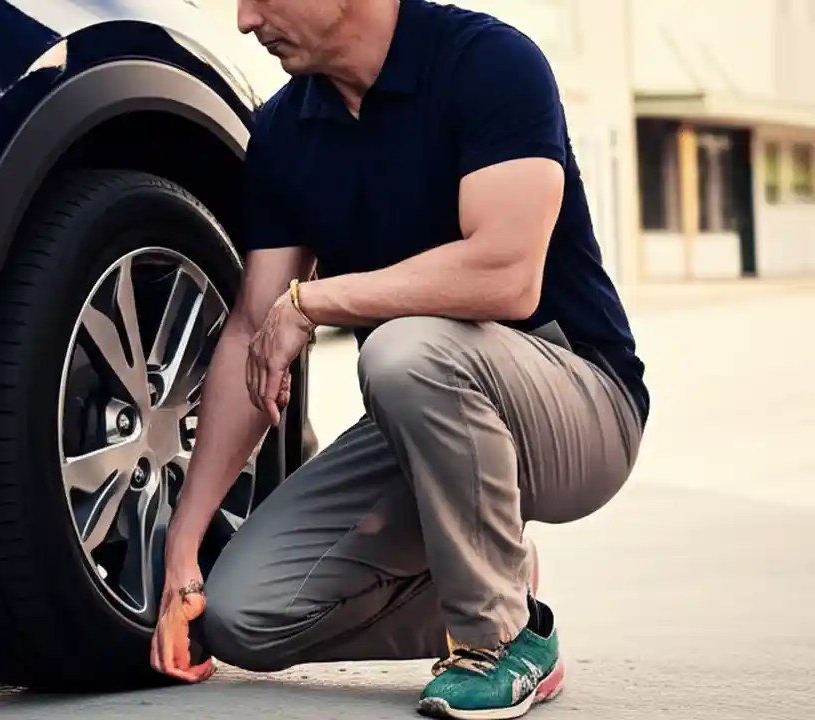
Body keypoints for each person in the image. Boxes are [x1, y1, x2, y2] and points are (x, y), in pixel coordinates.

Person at [148, 0, 649, 718]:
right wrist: (184, 549)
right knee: (243, 614)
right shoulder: (287, 132)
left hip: (579, 401)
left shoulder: (489, 63)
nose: (244, 20)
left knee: (402, 348)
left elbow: (507, 274)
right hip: (424, 411)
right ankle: (498, 579)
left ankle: (501, 637)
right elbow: (252, 331)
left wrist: (316, 302)